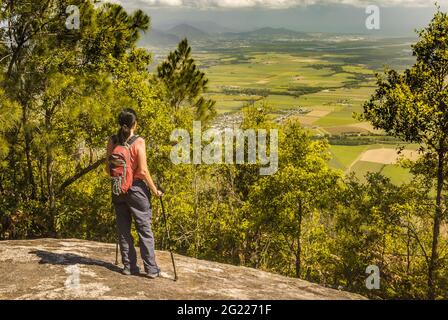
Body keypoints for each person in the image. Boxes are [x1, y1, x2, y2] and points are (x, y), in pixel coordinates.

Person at [106, 108, 163, 278]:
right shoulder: (138, 142)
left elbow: (107, 169)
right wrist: (155, 191)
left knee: (123, 229)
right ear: (134, 125)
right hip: (137, 189)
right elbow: (144, 171)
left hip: (117, 189)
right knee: (144, 229)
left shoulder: (112, 140)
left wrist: (120, 180)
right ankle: (151, 269)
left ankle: (129, 266)